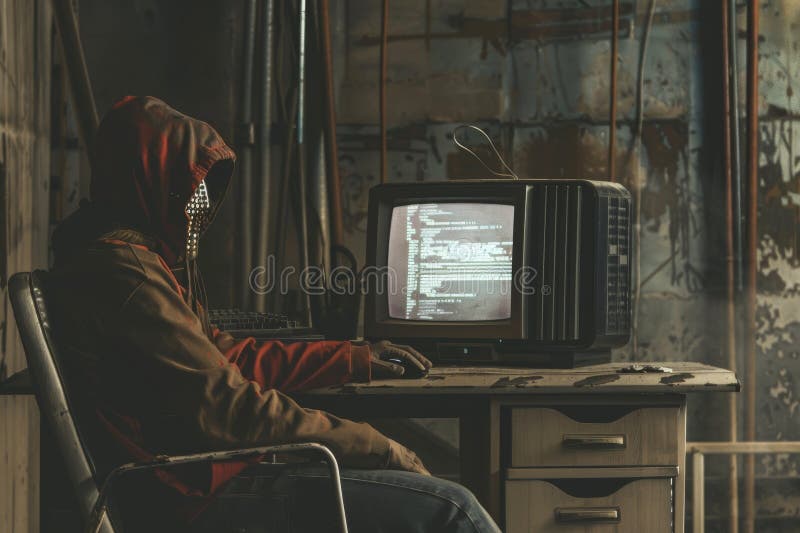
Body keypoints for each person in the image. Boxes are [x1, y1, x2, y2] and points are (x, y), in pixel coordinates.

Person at [49, 96, 500, 533]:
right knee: (454, 510)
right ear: (147, 177)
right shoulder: (127, 274)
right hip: (189, 496)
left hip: (196, 477)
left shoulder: (125, 259)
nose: (196, 208)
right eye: (185, 190)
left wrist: (352, 358)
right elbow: (228, 408)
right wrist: (374, 445)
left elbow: (225, 357)